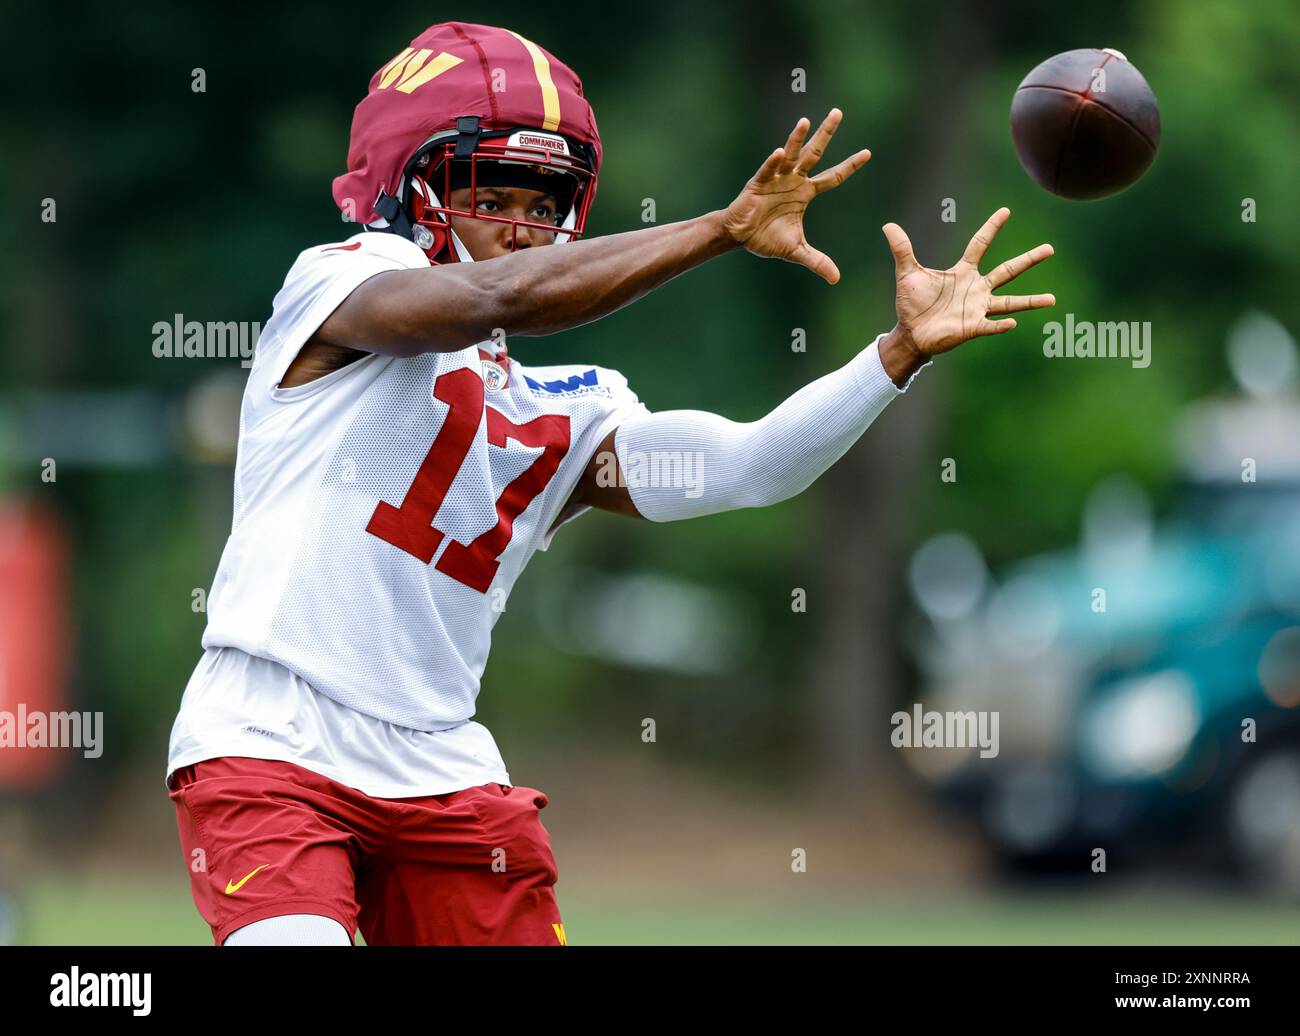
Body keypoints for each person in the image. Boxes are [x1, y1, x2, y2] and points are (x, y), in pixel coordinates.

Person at [165, 21, 1055, 945]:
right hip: (274, 740)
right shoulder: (340, 284)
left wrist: (894, 356)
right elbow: (491, 301)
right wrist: (718, 230)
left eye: (545, 199)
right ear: (410, 184)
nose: (522, 224)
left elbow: (748, 467)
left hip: (442, 763)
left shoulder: (566, 409)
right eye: (494, 190)